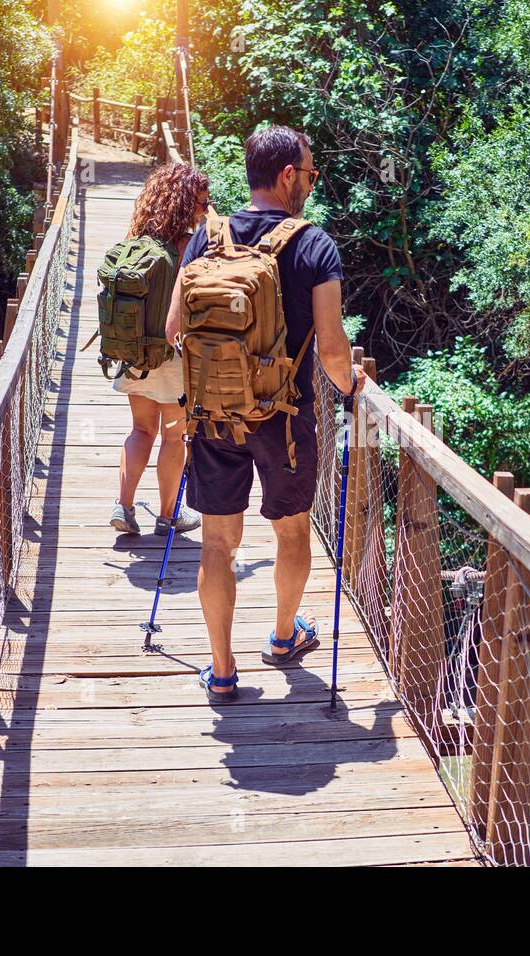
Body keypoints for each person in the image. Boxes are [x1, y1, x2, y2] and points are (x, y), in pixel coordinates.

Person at [166, 125, 366, 700]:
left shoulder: (206, 239)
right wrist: (352, 385)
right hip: (286, 420)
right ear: (287, 177)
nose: (310, 182)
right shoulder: (314, 244)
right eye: (309, 173)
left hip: (212, 415)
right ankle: (283, 638)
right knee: (292, 530)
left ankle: (223, 669)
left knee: (216, 543)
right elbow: (332, 350)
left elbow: (175, 331)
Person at [109, 161, 208, 537]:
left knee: (140, 430)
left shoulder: (136, 241)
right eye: (200, 202)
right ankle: (168, 517)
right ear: (185, 203)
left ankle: (124, 505)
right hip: (173, 356)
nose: (204, 210)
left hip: (133, 352)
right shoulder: (189, 245)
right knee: (172, 435)